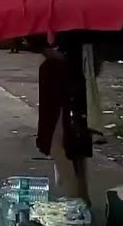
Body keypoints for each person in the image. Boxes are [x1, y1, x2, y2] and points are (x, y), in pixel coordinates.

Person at [36, 42, 92, 203]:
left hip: (64, 90)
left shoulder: (54, 66)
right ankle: (81, 200)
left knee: (61, 148)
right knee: (75, 151)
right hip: (74, 87)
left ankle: (77, 204)